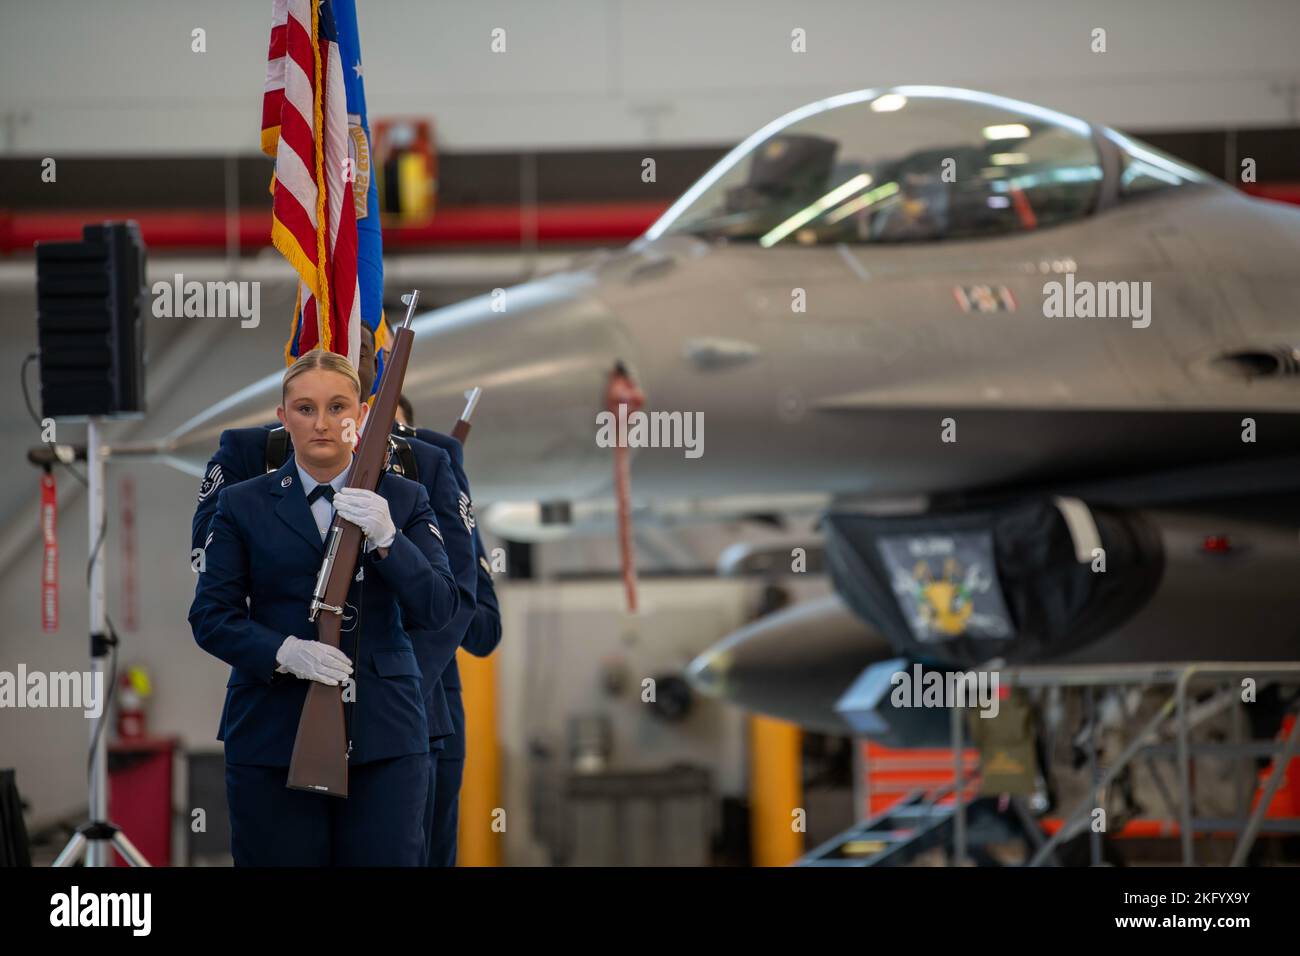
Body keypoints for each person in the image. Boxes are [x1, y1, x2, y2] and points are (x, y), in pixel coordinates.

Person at [188, 349, 459, 866]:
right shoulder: (242, 504)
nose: (322, 423)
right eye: (305, 408)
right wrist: (283, 651)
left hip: (384, 732)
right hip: (273, 731)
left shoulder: (404, 500)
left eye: (338, 407)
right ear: (283, 417)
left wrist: (390, 540)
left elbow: (439, 607)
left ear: (362, 415)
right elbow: (211, 616)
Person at [394, 397, 502, 866]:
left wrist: (427, 575)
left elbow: (485, 630)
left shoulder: (438, 495)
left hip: (431, 705)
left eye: (398, 433)